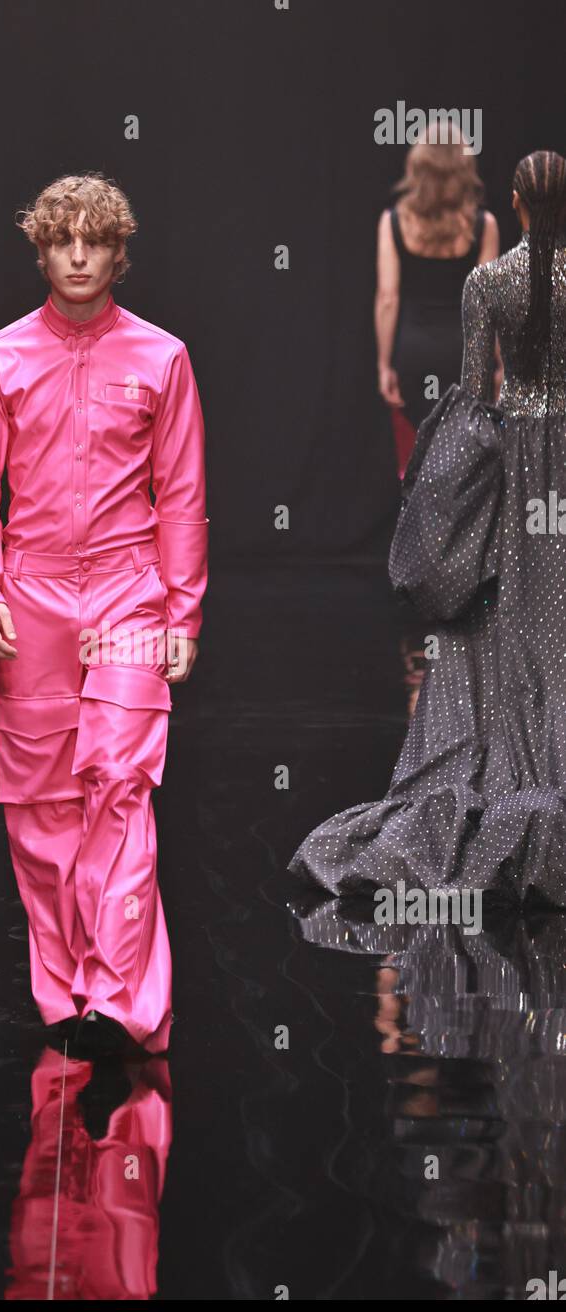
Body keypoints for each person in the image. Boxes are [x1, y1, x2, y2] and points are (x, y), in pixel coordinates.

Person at [0, 172, 208, 1056]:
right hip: (33, 594)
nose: (82, 255)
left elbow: (182, 496)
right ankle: (66, 995)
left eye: (97, 240)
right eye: (65, 240)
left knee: (122, 785)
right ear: (43, 250)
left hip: (132, 586)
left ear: (120, 252)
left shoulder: (163, 358)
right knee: (42, 801)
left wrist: (184, 613)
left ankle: (126, 996)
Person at [289, 151, 566, 907]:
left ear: (513, 203)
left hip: (518, 450)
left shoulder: (491, 281)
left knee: (514, 601)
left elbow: (476, 399)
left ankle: (517, 738)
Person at [376, 120, 499, 480]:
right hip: (464, 357)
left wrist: (385, 364)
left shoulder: (395, 221)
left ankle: (423, 534)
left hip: (413, 354)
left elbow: (387, 297)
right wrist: (498, 364)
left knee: (417, 461)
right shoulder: (482, 225)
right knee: (466, 464)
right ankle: (460, 536)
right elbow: (488, 304)